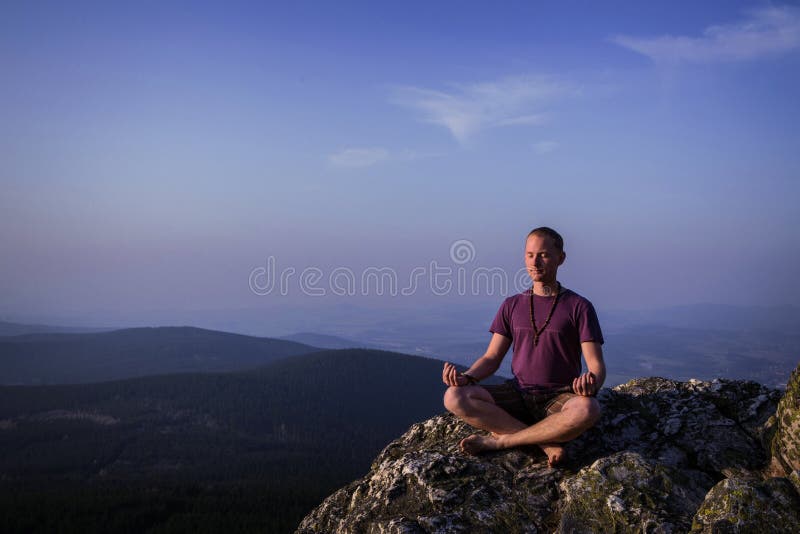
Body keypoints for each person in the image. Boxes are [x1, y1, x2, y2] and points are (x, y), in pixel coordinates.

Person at [442, 227, 606, 466]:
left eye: (544, 255)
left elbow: (596, 366)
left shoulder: (579, 306)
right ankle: (545, 442)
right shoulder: (512, 305)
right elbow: (491, 358)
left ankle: (501, 441)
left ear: (561, 258)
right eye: (530, 255)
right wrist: (467, 377)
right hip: (517, 393)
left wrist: (591, 383)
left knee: (588, 409)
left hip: (559, 397)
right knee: (454, 397)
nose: (535, 262)